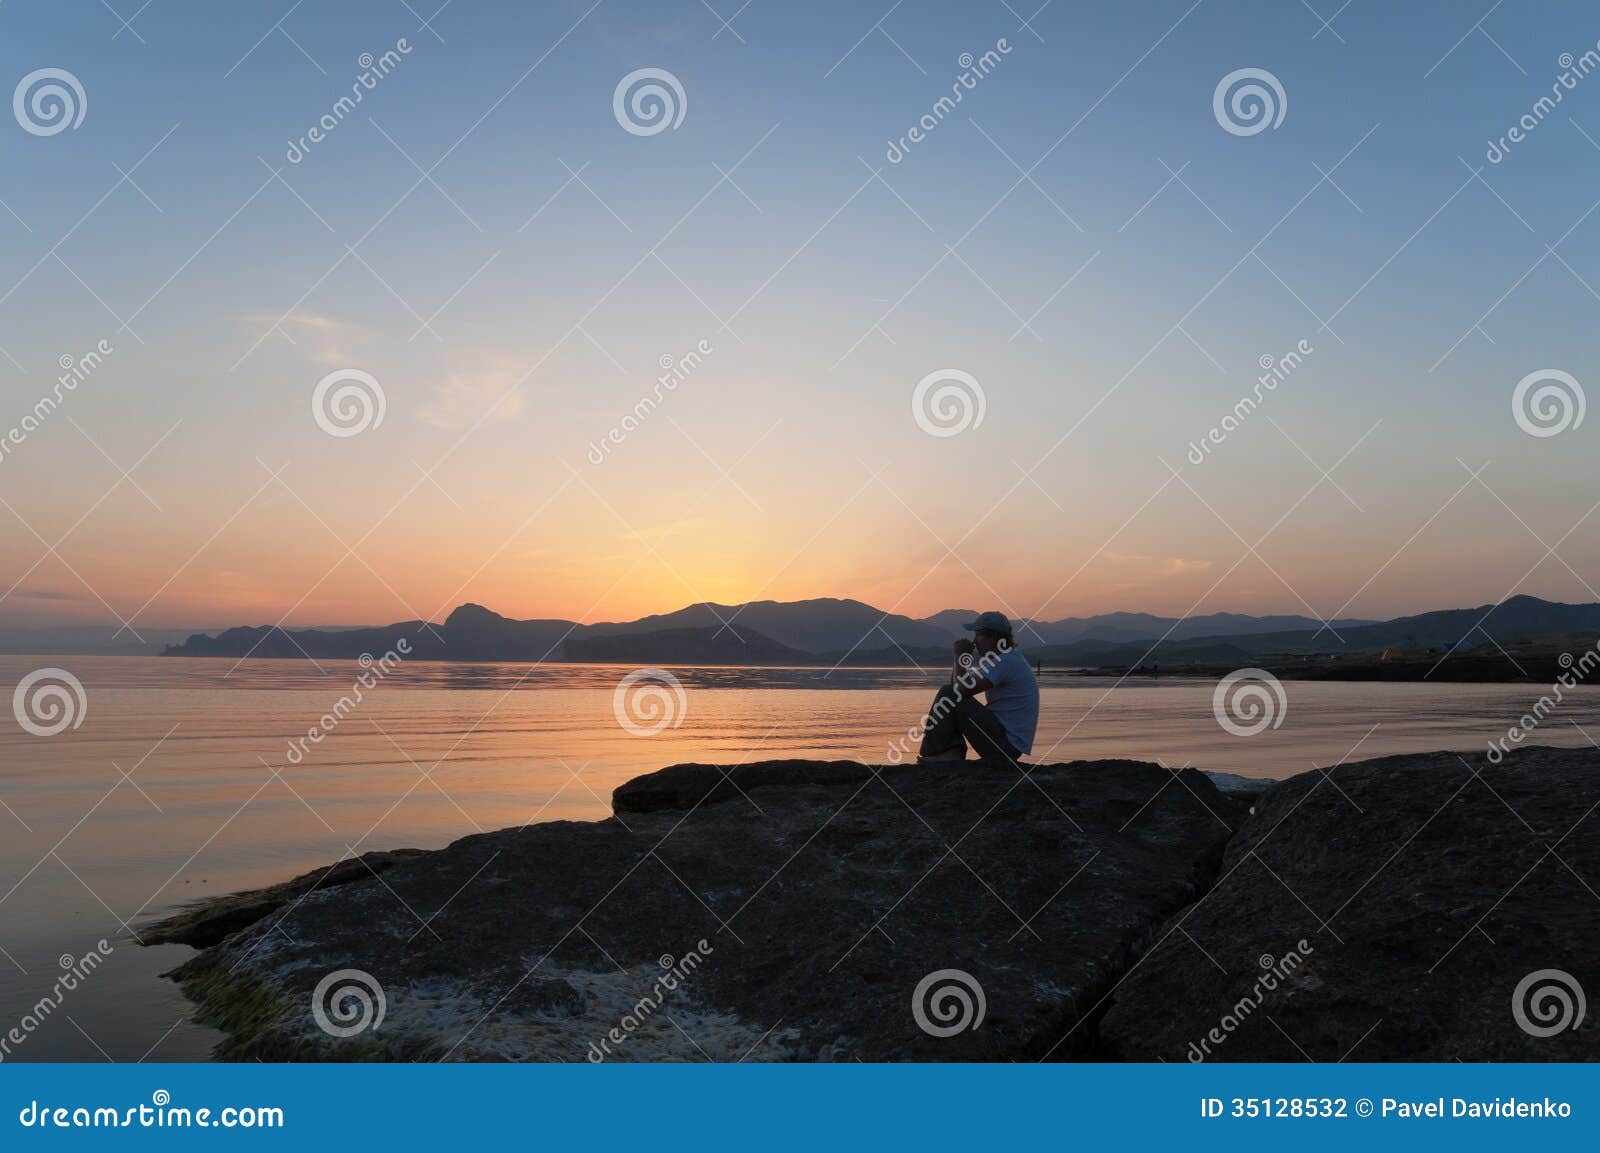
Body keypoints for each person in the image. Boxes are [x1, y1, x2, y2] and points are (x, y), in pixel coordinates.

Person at [917, 610, 1039, 764]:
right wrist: (959, 659)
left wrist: (959, 656)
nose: (974, 642)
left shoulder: (1005, 661)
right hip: (1005, 744)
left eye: (978, 635)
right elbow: (958, 687)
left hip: (1005, 746)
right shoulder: (1004, 659)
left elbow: (959, 690)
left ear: (993, 637)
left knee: (948, 693)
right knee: (949, 693)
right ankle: (948, 751)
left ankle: (936, 753)